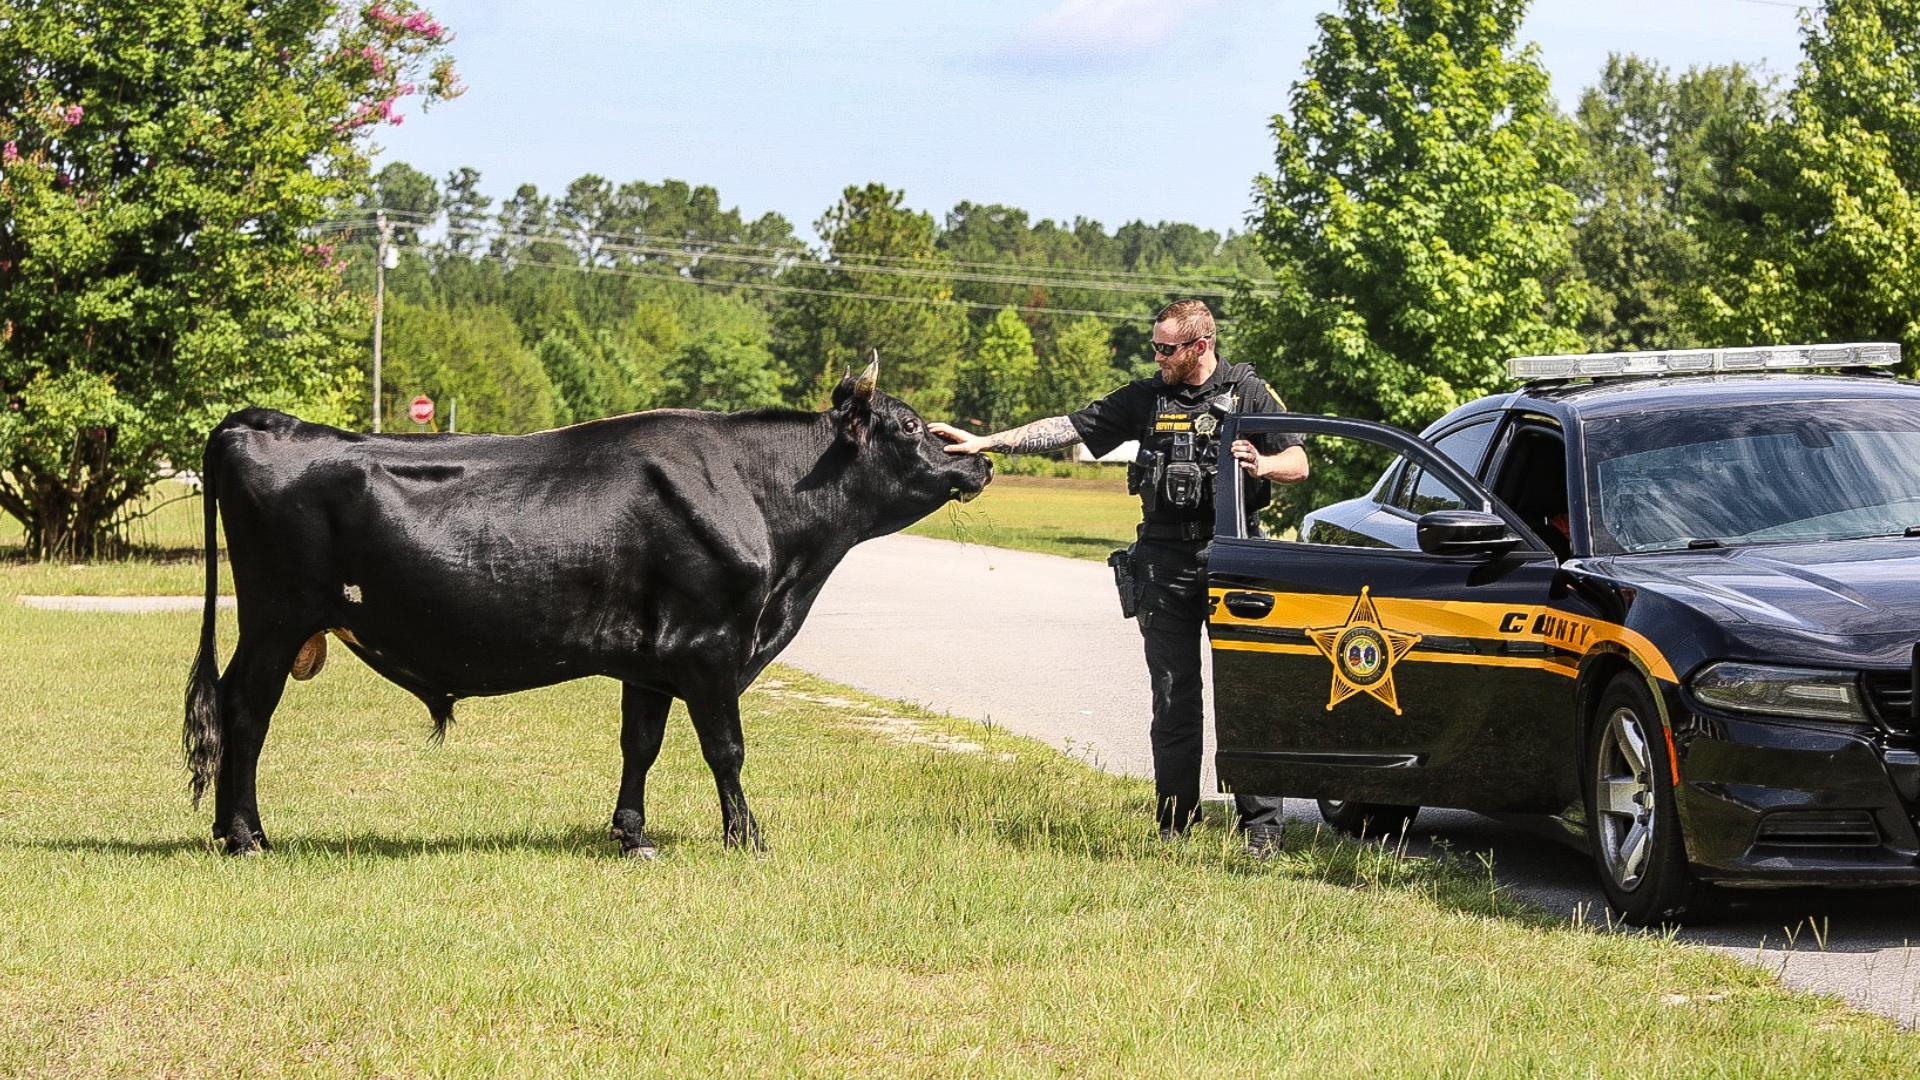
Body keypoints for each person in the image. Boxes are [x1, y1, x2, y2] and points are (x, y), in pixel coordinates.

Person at [932, 299, 1309, 853]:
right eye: (1154, 346)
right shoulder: (1147, 396)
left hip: (1234, 559)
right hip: (1163, 564)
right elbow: (1068, 427)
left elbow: (1299, 460)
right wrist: (990, 441)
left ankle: (1262, 829)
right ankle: (1176, 823)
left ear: (1200, 347)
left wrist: (1264, 464)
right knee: (1173, 695)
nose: (1156, 356)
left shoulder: (1247, 391)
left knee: (1245, 695)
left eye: (1166, 348)